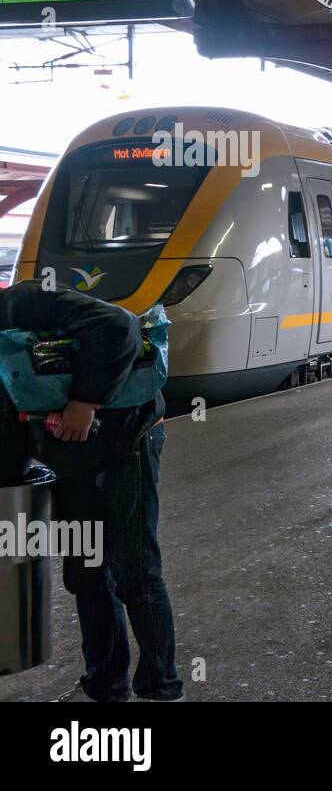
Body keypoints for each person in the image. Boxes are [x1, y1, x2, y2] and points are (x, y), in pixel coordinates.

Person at [0, 281, 182, 702]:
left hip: (128, 436)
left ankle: (161, 686)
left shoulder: (23, 301)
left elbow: (118, 326)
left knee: (134, 568)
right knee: (86, 571)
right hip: (69, 451)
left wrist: (84, 402)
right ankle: (106, 684)